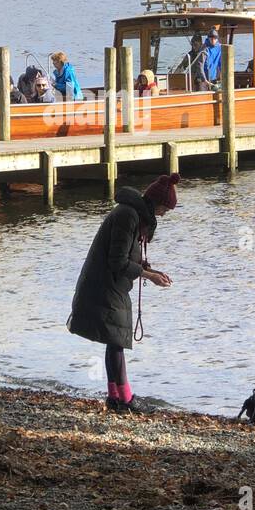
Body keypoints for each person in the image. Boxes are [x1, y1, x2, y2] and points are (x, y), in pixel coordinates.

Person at [68, 173, 178, 413]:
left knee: (114, 340)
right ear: (156, 203)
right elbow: (117, 261)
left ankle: (115, 397)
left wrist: (152, 270)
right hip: (104, 284)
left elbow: (127, 256)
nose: (164, 214)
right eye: (165, 209)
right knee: (116, 340)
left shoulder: (133, 215)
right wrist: (149, 276)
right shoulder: (127, 216)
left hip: (108, 283)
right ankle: (125, 399)